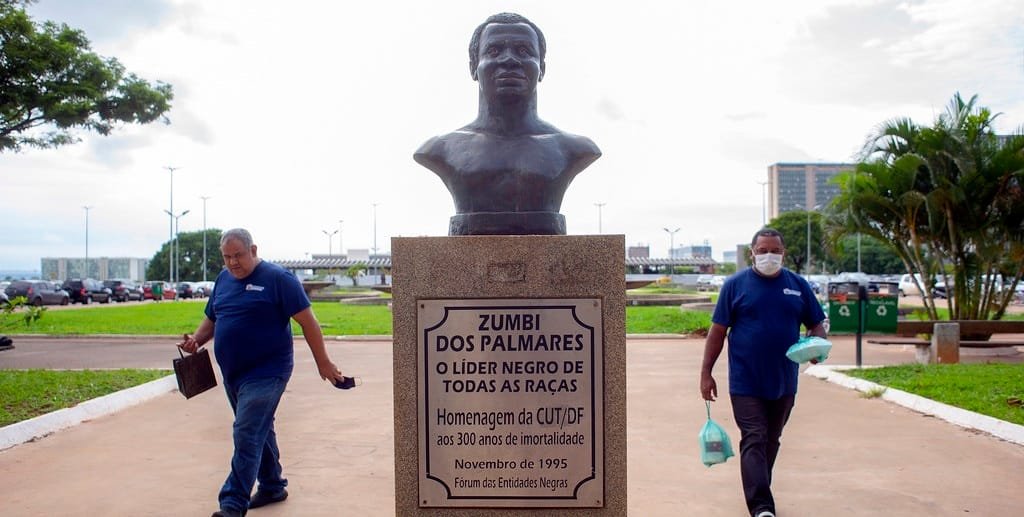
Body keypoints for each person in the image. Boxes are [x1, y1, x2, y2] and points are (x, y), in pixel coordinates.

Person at [179, 228, 345, 517]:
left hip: (269, 371)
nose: (232, 263)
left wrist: (324, 363)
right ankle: (271, 485)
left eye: (238, 255)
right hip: (233, 373)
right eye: (227, 257)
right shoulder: (223, 280)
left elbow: (309, 323)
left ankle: (232, 503)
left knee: (246, 430)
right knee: (258, 428)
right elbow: (212, 318)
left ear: (253, 250)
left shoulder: (278, 279)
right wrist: (196, 341)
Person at [414, 12, 601, 235]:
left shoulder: (573, 149)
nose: (509, 59)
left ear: (541, 67)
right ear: (474, 66)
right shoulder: (440, 149)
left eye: (524, 51)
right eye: (494, 51)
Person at [699, 228, 827, 517]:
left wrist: (816, 346)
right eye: (763, 250)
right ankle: (761, 507)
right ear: (752, 253)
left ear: (783, 252)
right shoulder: (735, 285)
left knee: (771, 439)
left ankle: (759, 487)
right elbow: (717, 332)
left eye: (775, 250)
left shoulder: (797, 285)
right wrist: (706, 373)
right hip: (746, 381)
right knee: (754, 436)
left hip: (784, 380)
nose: (770, 255)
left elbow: (816, 323)